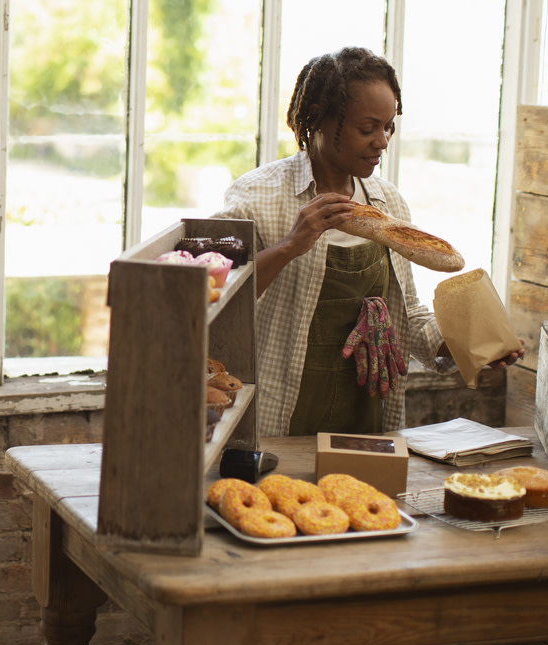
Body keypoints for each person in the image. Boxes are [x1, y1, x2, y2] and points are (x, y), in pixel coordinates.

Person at [214, 46, 524, 438]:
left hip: (367, 420)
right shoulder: (256, 197)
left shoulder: (387, 203)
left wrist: (478, 345)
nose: (382, 142)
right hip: (280, 418)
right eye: (368, 128)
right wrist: (291, 245)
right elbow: (218, 303)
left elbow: (408, 314)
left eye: (388, 127)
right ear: (321, 120)